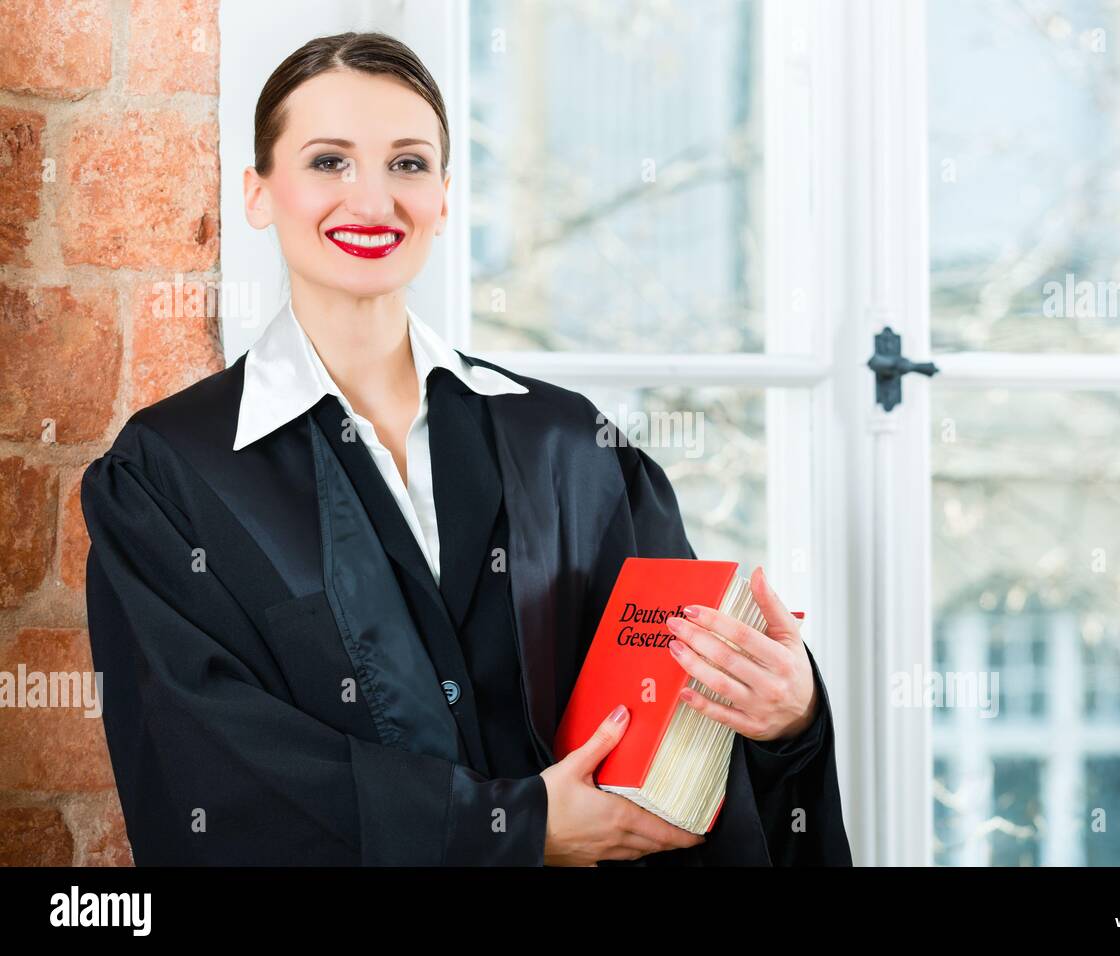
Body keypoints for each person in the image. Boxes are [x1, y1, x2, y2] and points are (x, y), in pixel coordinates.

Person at [81, 30, 852, 866]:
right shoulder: (171, 475)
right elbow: (209, 773)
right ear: (258, 192)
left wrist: (789, 717)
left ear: (445, 197)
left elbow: (679, 740)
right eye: (328, 162)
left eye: (408, 164)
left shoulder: (566, 445)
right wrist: (517, 826)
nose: (373, 201)